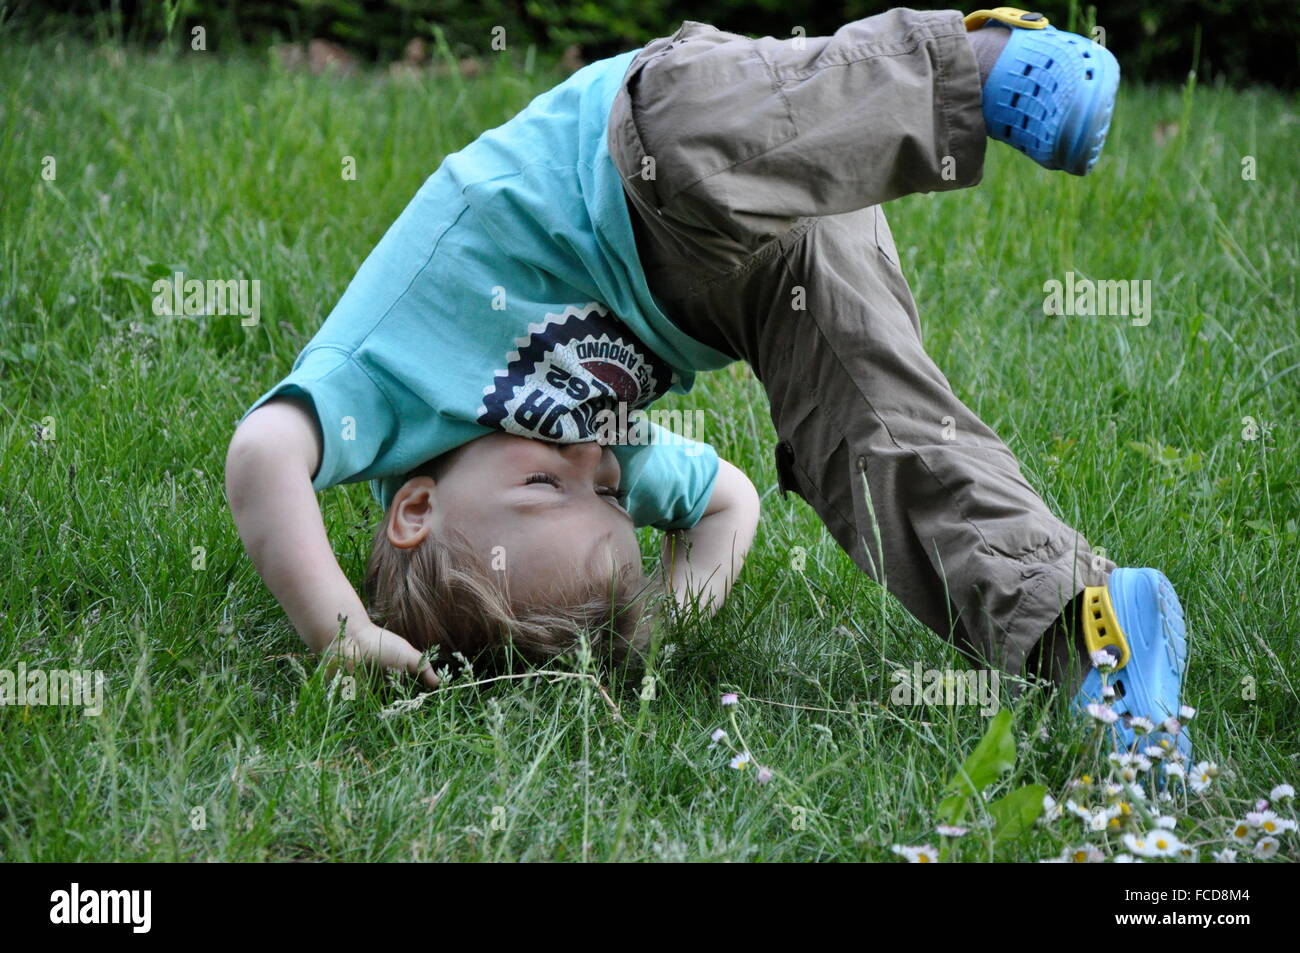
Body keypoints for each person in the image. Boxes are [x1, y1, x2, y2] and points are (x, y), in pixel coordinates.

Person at [225, 7, 1189, 760]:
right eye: (610, 499)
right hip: (751, 291)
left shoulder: (384, 391)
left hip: (640, 154)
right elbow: (727, 500)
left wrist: (339, 627)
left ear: (417, 507)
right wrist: (666, 615)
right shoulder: (601, 459)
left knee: (687, 144)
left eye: (545, 484)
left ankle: (970, 69)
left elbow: (263, 453)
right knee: (869, 441)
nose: (594, 461)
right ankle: (1078, 626)